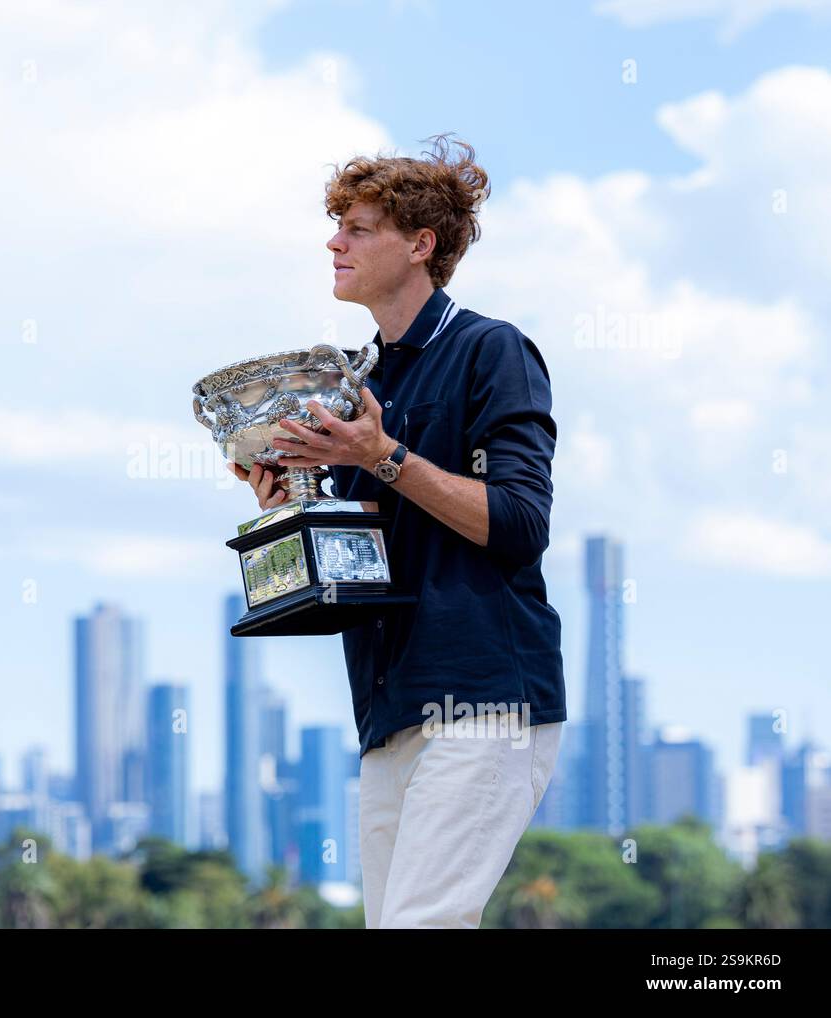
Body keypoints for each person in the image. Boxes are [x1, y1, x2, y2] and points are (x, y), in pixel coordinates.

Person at [230, 135, 566, 929]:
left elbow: (520, 522)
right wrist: (292, 499)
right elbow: (365, 553)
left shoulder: (493, 351)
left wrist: (382, 455)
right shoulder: (358, 382)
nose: (333, 241)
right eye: (337, 225)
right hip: (387, 710)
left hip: (484, 701)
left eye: (358, 227)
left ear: (420, 245)